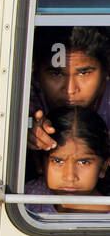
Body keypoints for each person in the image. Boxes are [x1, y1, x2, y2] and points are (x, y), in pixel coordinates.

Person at [28, 26, 110, 154]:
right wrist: (26, 128)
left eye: (84, 73)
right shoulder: (23, 98)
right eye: (56, 74)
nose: (70, 90)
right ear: (36, 72)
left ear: (106, 70)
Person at [23, 105, 110, 215]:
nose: (69, 177)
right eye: (58, 161)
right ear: (39, 163)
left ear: (103, 167)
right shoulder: (29, 197)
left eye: (83, 162)